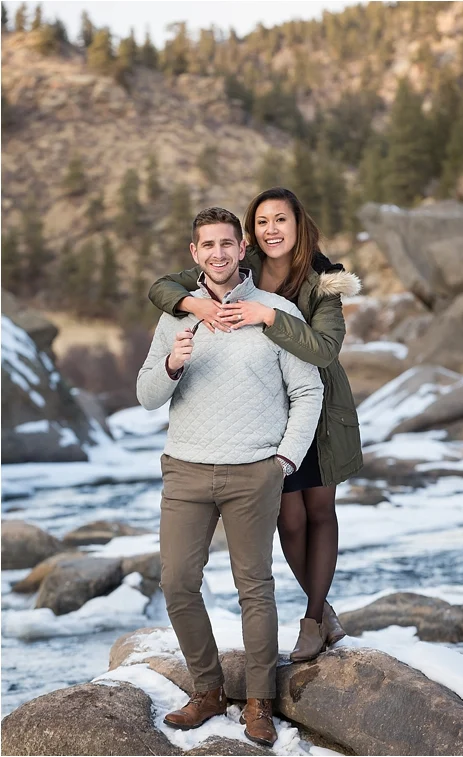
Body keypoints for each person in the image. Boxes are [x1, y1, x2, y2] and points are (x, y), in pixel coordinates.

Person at [147, 187, 363, 664]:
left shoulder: (324, 280)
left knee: (320, 511)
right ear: (249, 234)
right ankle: (324, 611)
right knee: (289, 518)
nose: (271, 230)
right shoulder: (241, 266)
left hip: (318, 409)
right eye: (261, 222)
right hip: (268, 416)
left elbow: (324, 350)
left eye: (280, 220)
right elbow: (163, 287)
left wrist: (268, 316)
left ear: (298, 225)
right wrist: (195, 306)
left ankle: (312, 617)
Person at [137, 206, 323, 747]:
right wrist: (173, 363)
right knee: (176, 583)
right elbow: (146, 396)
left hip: (254, 471)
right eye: (207, 246)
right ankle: (209, 691)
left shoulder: (274, 310)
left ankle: (260, 703)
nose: (218, 253)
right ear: (194, 254)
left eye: (227, 244)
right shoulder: (176, 315)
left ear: (242, 249)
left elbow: (307, 391)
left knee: (254, 588)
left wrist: (284, 461)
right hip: (186, 468)